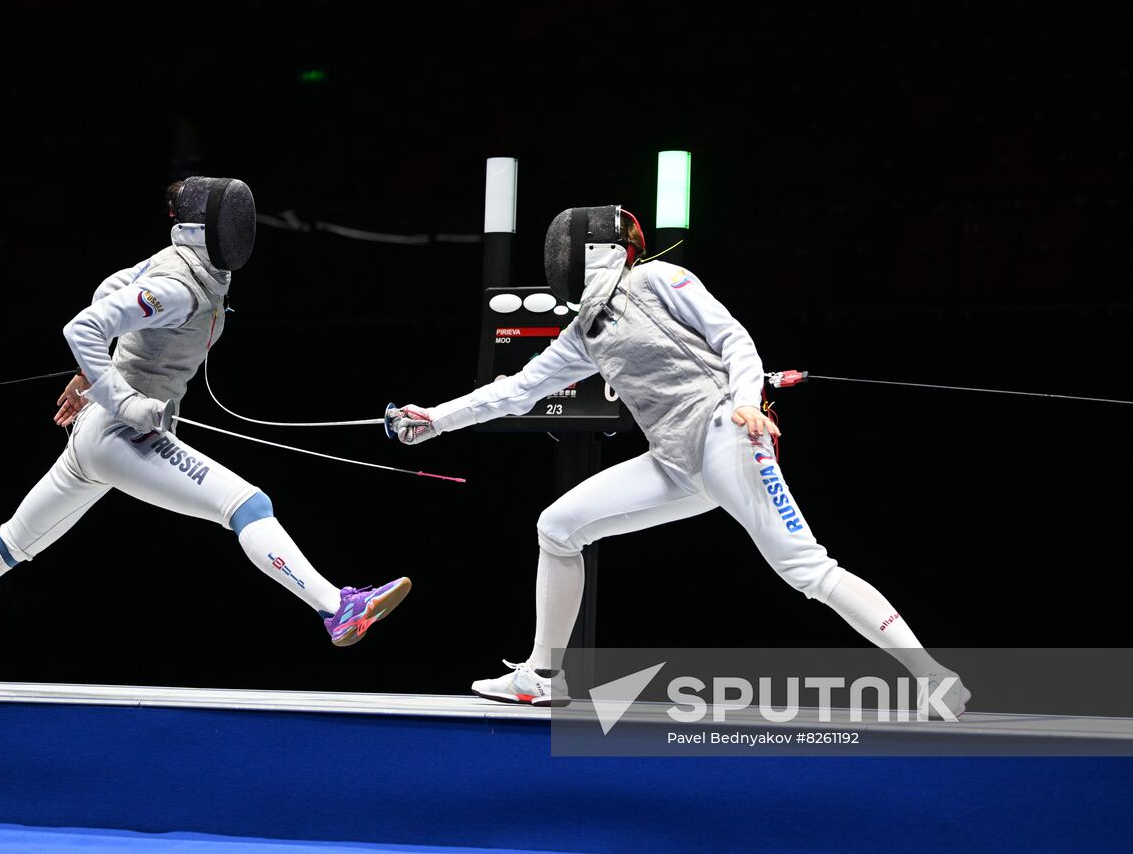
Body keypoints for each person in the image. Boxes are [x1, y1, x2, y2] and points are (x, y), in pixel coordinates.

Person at [388, 205, 967, 716]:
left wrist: (745, 402)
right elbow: (515, 391)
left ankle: (934, 678)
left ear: (596, 251)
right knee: (557, 528)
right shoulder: (584, 333)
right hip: (674, 461)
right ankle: (543, 676)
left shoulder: (661, 277)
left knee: (807, 570)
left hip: (727, 435)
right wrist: (435, 418)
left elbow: (734, 339)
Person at [0, 177, 410, 683]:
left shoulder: (181, 267)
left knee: (14, 542)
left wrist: (92, 375)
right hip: (119, 435)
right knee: (246, 506)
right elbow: (83, 326)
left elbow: (111, 289)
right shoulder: (180, 288)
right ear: (208, 231)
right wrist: (124, 398)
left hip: (99, 437)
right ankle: (336, 608)